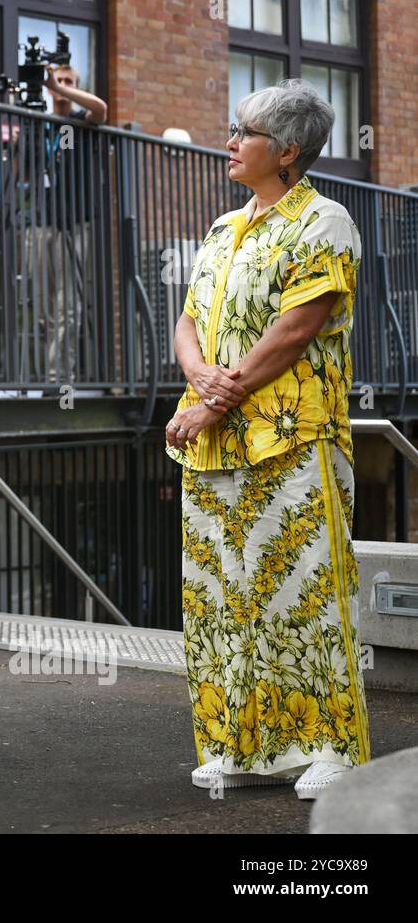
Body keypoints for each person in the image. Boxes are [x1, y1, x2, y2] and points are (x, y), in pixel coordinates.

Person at [164, 79, 369, 802]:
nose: (229, 141)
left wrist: (217, 395)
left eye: (242, 132)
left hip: (292, 440)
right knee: (221, 598)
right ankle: (239, 745)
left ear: (286, 151)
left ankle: (330, 747)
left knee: (300, 594)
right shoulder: (224, 228)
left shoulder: (326, 221)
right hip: (213, 441)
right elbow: (188, 320)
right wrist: (200, 383)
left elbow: (296, 329)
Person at [11, 62, 109, 387]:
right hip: (40, 223)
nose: (61, 84)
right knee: (40, 305)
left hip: (75, 224)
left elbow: (101, 108)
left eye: (69, 80)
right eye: (58, 79)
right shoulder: (38, 124)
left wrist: (59, 86)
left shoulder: (81, 121)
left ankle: (58, 380)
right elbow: (22, 173)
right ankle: (46, 376)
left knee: (68, 304)